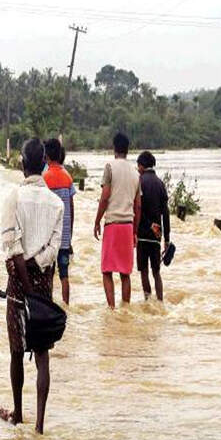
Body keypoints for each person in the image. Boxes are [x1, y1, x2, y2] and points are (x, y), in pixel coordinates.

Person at [0, 137, 64, 434]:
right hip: (44, 283)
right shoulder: (57, 204)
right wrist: (38, 273)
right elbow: (54, 248)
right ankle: (39, 425)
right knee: (42, 354)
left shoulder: (12, 197)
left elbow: (10, 246)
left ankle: (18, 414)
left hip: (17, 283)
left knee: (16, 352)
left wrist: (24, 279)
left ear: (23, 164)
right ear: (44, 164)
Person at [92, 132, 141, 309]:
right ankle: (125, 309)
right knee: (125, 273)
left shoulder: (109, 167)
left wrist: (97, 221)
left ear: (114, 149)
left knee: (107, 270)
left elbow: (105, 197)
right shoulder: (136, 173)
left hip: (113, 224)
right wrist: (135, 231)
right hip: (128, 226)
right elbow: (138, 206)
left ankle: (111, 309)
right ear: (127, 150)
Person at [42, 138, 76, 305]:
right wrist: (70, 234)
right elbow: (71, 208)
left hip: (49, 238)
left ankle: (48, 305)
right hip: (64, 237)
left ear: (46, 156)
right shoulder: (68, 178)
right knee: (64, 275)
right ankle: (66, 305)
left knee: (49, 274)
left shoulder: (44, 178)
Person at [135, 151, 170, 301]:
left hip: (142, 234)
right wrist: (166, 238)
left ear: (142, 166)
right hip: (156, 235)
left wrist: (135, 230)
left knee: (143, 271)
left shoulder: (139, 182)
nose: (137, 168)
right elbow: (166, 213)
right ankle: (160, 302)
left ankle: (148, 301)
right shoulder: (160, 184)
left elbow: (137, 208)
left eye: (138, 165)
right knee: (156, 271)